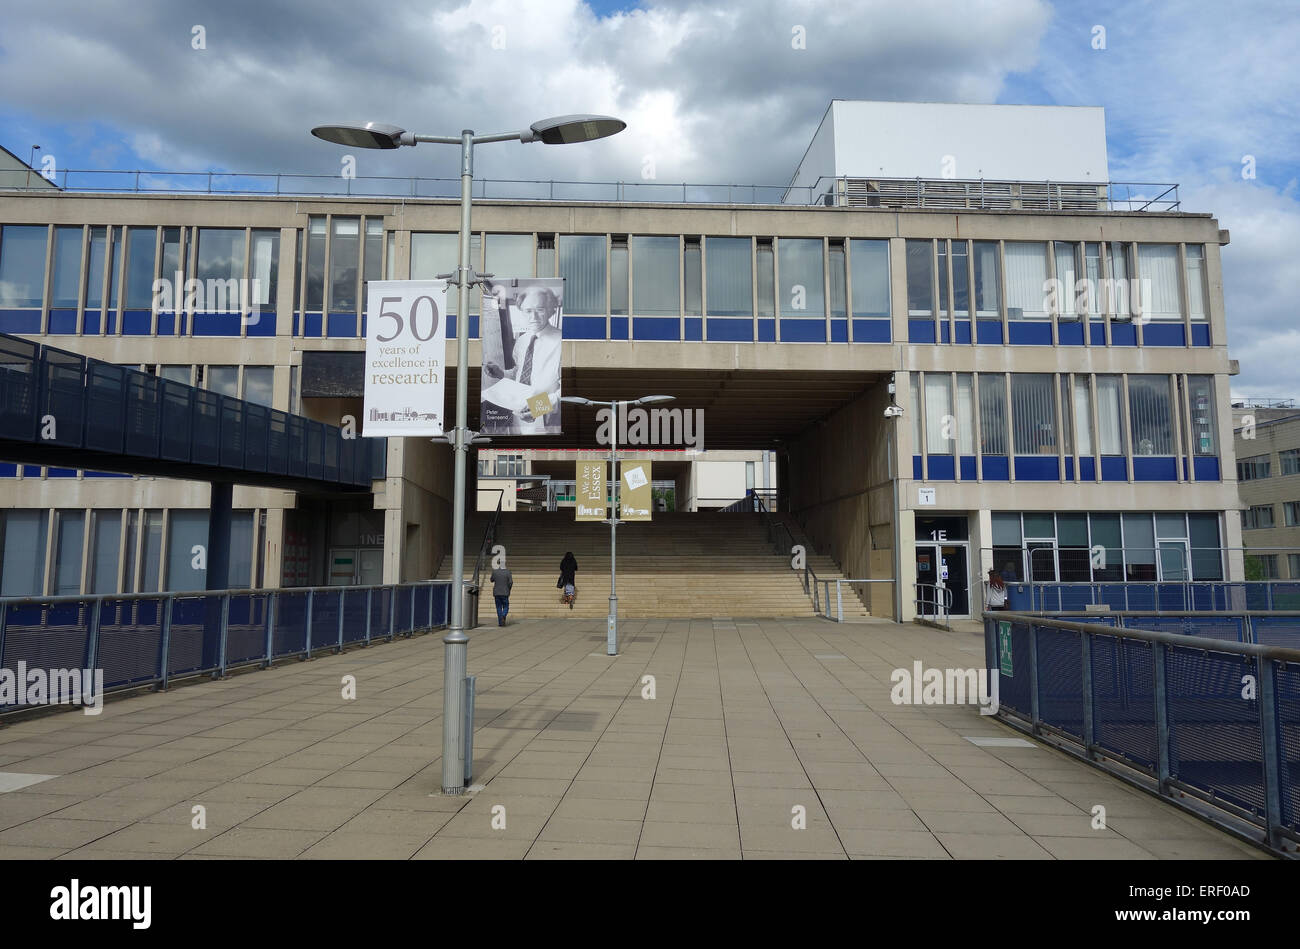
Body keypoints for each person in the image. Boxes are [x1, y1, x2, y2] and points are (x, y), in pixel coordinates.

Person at [483, 285, 562, 434]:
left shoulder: (562, 342)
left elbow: (566, 391)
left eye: (540, 309)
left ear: (551, 310)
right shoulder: (522, 341)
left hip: (546, 420)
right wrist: (501, 373)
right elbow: (519, 373)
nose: (534, 317)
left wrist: (538, 406)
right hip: (517, 414)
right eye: (528, 311)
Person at [491, 562, 513, 627]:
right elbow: (511, 582)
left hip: (497, 592)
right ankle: (503, 615)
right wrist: (509, 589)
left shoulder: (495, 571)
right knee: (506, 606)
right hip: (505, 592)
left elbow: (491, 580)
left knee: (498, 607)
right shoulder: (508, 572)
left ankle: (500, 622)